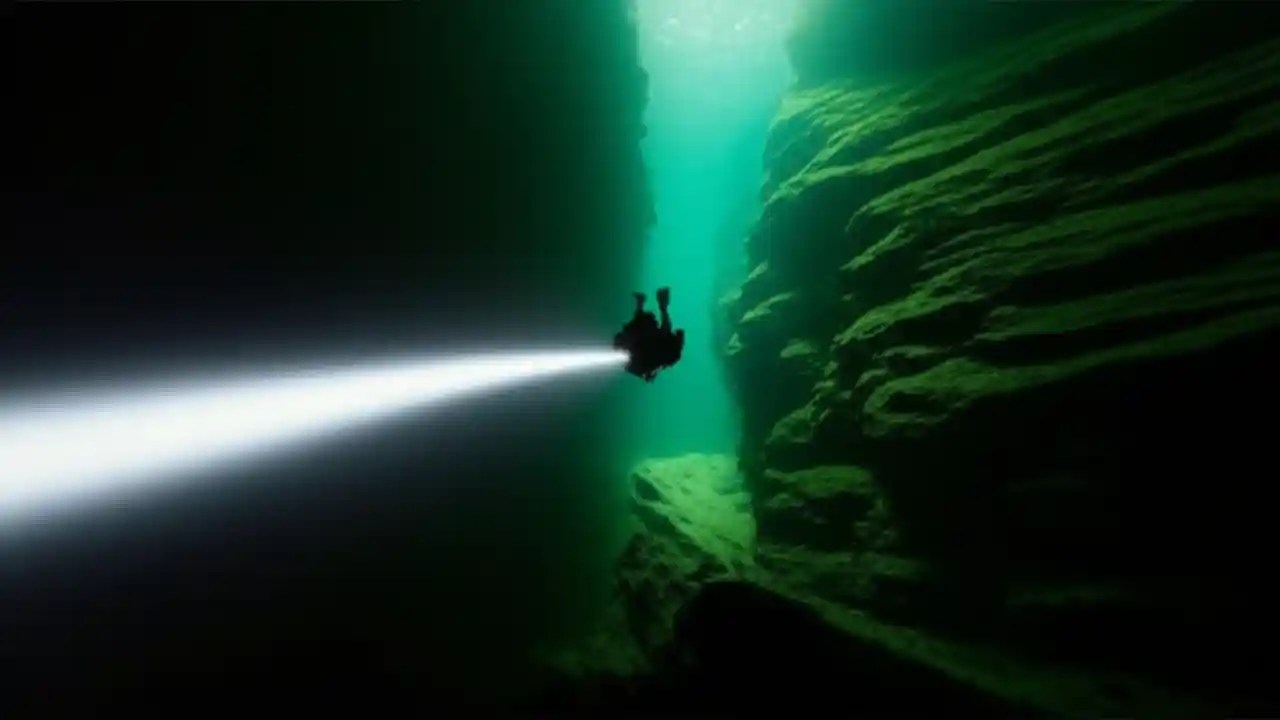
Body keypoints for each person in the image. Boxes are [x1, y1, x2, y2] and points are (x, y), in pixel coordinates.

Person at [613, 286, 685, 382]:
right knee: (656, 333)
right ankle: (652, 304)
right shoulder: (646, 352)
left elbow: (663, 331)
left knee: (642, 328)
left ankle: (647, 303)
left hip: (653, 348)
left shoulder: (638, 347)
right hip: (655, 349)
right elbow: (664, 332)